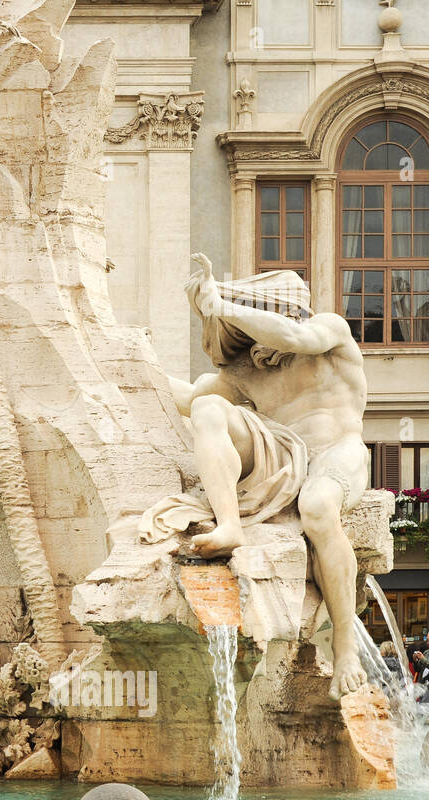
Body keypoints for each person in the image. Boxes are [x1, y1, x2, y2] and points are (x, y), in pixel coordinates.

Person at [140, 255, 371, 699]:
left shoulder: (327, 332)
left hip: (337, 452)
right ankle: (230, 525)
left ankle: (345, 645)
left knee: (319, 507)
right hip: (284, 456)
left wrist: (221, 306)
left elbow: (295, 336)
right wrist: (126, 357)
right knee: (209, 408)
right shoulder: (244, 371)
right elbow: (186, 397)